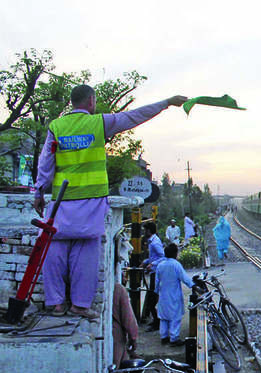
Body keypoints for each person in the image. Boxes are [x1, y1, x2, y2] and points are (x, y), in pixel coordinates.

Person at [33, 84, 187, 319]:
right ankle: (80, 305)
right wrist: (166, 102)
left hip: (62, 203)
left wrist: (38, 192)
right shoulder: (99, 123)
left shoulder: (57, 126)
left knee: (55, 251)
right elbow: (134, 116)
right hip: (91, 204)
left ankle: (55, 303)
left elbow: (46, 162)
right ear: (91, 101)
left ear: (72, 103)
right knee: (86, 255)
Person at [155, 243, 193, 346]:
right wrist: (193, 285)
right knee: (175, 317)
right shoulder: (176, 265)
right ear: (175, 254)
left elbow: (157, 282)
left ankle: (163, 337)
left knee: (163, 317)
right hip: (174, 295)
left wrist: (156, 292)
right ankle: (174, 338)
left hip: (163, 295)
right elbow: (185, 278)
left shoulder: (160, 265)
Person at [112, 270, 138, 373]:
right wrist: (134, 339)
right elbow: (129, 319)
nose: (125, 278)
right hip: (116, 337)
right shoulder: (119, 289)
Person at [141, 222, 165, 331]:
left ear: (149, 231)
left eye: (145, 230)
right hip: (153, 273)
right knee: (152, 299)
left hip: (156, 273)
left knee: (152, 299)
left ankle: (157, 322)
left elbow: (162, 257)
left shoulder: (155, 243)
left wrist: (152, 264)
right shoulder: (151, 242)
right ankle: (156, 321)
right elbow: (153, 257)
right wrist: (146, 262)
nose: (144, 232)